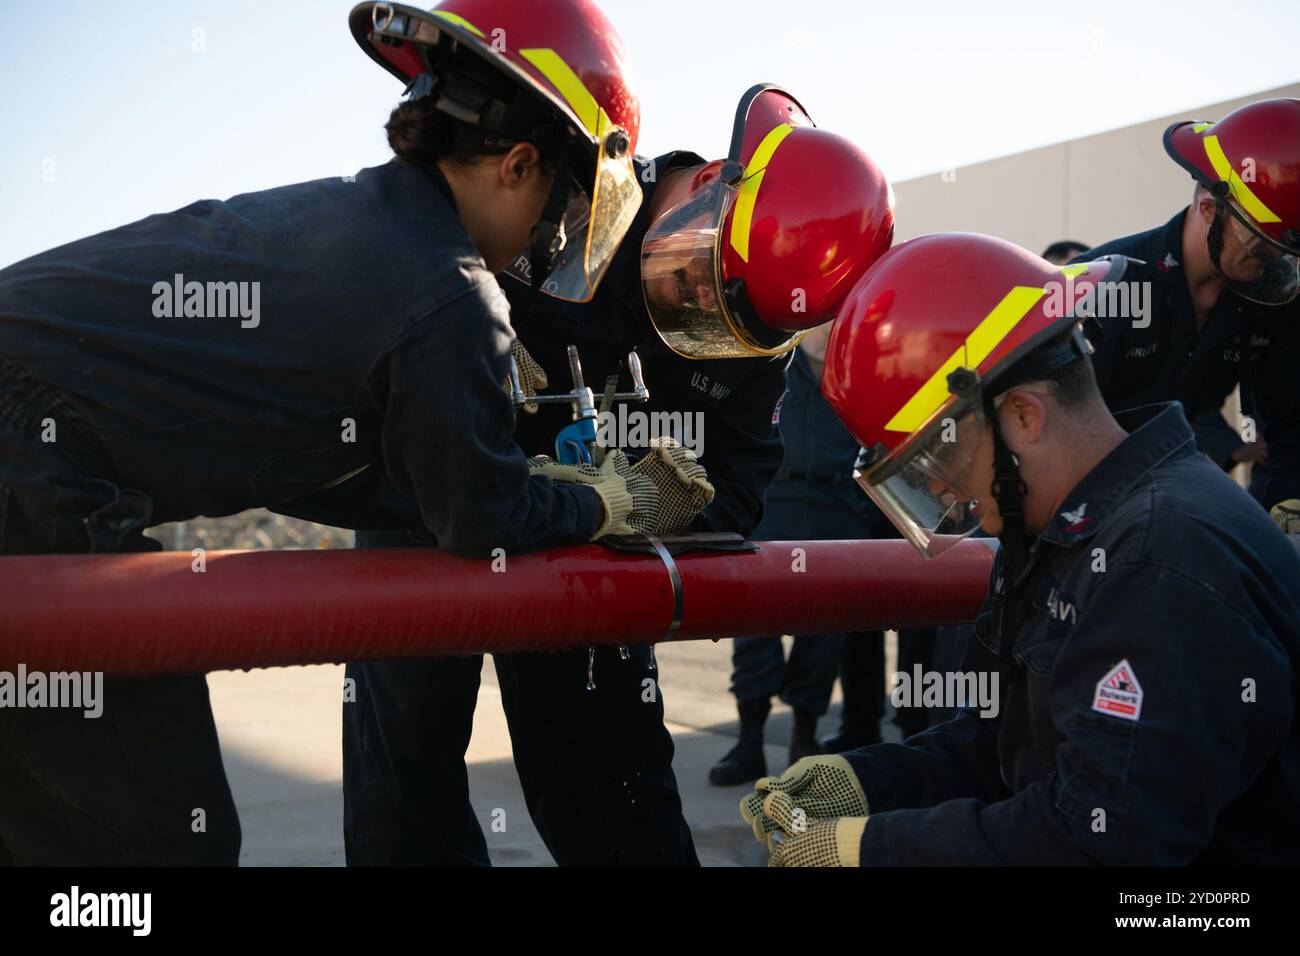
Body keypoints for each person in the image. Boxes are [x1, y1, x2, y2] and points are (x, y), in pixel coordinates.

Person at [0, 0, 646, 865]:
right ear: (520, 164)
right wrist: (599, 502)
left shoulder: (355, 222)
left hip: (29, 447)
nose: (550, 236)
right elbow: (480, 519)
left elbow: (302, 452)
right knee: (160, 842)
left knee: (54, 837)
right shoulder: (448, 293)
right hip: (27, 465)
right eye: (559, 208)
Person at [344, 84, 897, 865]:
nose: (707, 316)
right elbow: (402, 258)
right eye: (702, 288)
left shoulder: (758, 325)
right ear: (706, 185)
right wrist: (463, 342)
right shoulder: (551, 192)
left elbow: (738, 491)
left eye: (736, 320)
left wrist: (646, 505)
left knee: (619, 794)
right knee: (406, 776)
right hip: (430, 516)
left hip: (594, 565)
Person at [742, 232, 1300, 865]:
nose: (934, 486)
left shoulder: (1158, 556)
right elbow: (997, 746)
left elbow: (1100, 845)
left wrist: (872, 849)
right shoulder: (1057, 528)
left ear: (1025, 416)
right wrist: (868, 782)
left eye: (937, 453)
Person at [1075, 98, 1300, 533]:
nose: (1268, 262)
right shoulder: (1107, 282)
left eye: (1283, 254)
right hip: (1077, 505)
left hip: (1168, 502)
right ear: (1209, 208)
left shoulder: (1268, 298)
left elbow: (1290, 423)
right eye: (1257, 246)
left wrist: (1285, 518)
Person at [708, 322, 892, 787]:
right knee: (753, 630)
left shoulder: (857, 372)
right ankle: (749, 741)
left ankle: (803, 739)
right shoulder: (771, 362)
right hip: (772, 509)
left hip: (837, 513)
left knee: (822, 636)